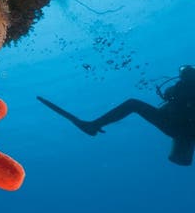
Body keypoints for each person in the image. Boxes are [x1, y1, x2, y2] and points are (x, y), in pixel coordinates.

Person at [37, 64, 195, 166]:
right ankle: (94, 124)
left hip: (175, 128)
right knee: (134, 104)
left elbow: (165, 105)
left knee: (133, 104)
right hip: (179, 128)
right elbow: (167, 105)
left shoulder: (175, 89)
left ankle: (94, 124)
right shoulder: (176, 90)